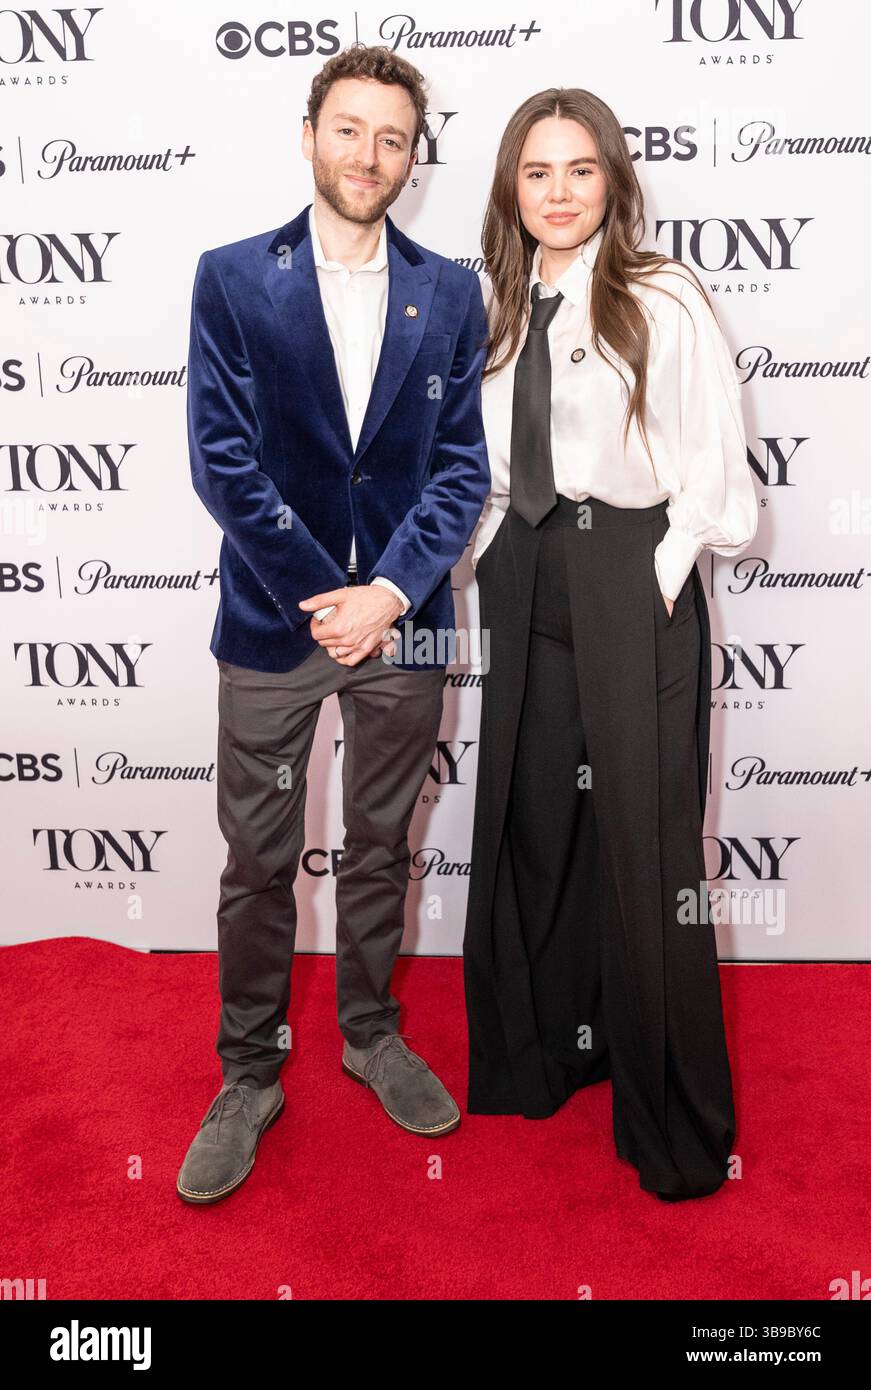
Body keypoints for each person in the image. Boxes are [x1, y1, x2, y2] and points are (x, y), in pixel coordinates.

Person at [177, 45, 490, 1204]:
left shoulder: (450, 291)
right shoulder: (229, 277)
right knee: (259, 861)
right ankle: (249, 1070)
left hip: (403, 622)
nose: (369, 155)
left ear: (415, 157)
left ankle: (368, 1029)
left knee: (381, 847)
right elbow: (222, 463)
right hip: (273, 619)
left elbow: (459, 469)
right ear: (310, 135)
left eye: (392, 137)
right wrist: (331, 596)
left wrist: (391, 596)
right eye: (348, 130)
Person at [463, 88, 758, 1201]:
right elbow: (484, 468)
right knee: (533, 824)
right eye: (536, 172)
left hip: (630, 567)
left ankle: (673, 1121)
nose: (558, 193)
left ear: (613, 180)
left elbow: (713, 466)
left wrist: (656, 575)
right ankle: (549, 1054)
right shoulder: (492, 305)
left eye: (579, 169)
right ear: (510, 187)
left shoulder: (661, 295)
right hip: (524, 569)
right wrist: (490, 558)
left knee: (646, 849)